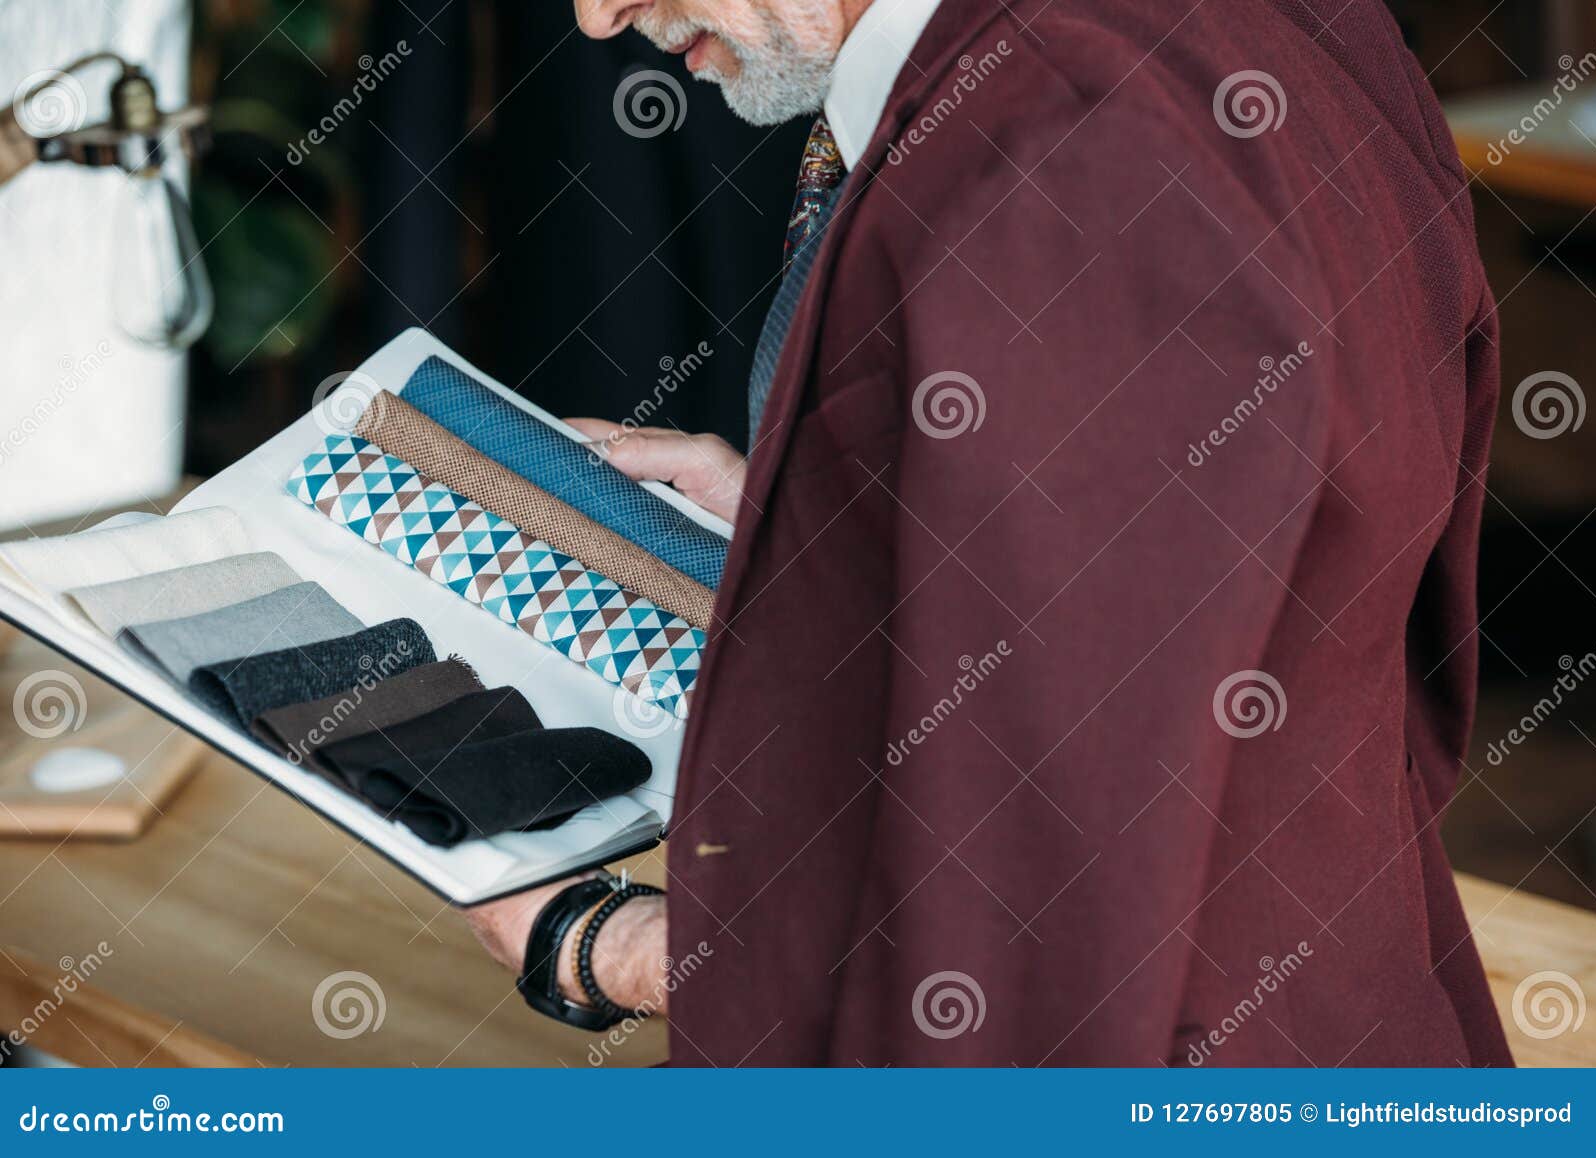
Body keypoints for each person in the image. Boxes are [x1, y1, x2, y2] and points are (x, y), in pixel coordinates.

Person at [466, 0, 1514, 1066]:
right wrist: (830, 535)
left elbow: (1019, 934)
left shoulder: (1075, 149)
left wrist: (616, 950)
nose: (598, 18)